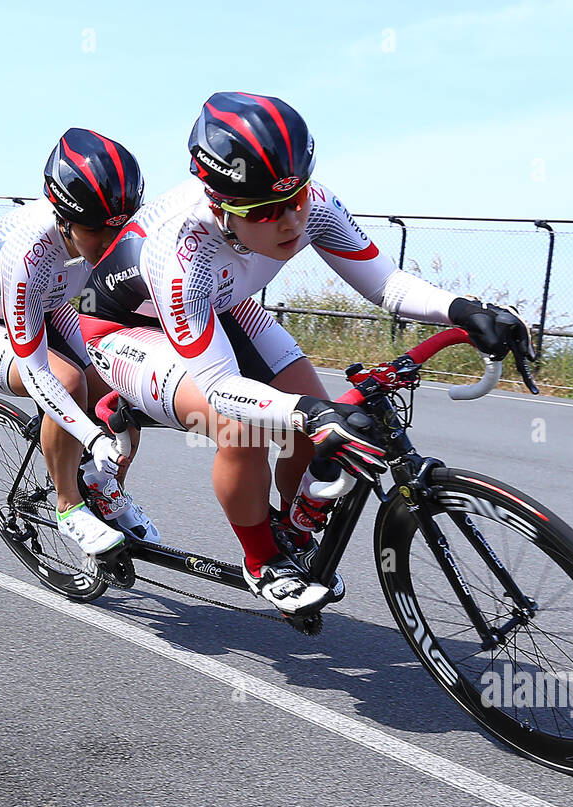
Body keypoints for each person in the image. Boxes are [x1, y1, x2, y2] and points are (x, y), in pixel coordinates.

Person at [78, 92, 534, 614]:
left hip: (222, 303)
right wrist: (308, 415)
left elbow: (385, 284)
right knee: (243, 427)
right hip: (123, 328)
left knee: (312, 416)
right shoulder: (181, 248)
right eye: (267, 212)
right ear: (218, 206)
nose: (291, 222)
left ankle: (292, 531)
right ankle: (261, 560)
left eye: (296, 199)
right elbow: (221, 389)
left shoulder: (310, 204)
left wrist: (463, 310)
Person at [0, 128, 159, 556]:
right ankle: (68, 505)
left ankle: (108, 493)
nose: (113, 242)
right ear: (64, 219)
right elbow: (38, 373)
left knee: (118, 391)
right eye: (99, 231)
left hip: (48, 303)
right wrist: (92, 440)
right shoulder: (26, 251)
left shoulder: (99, 231)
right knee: (67, 383)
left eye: (122, 228)